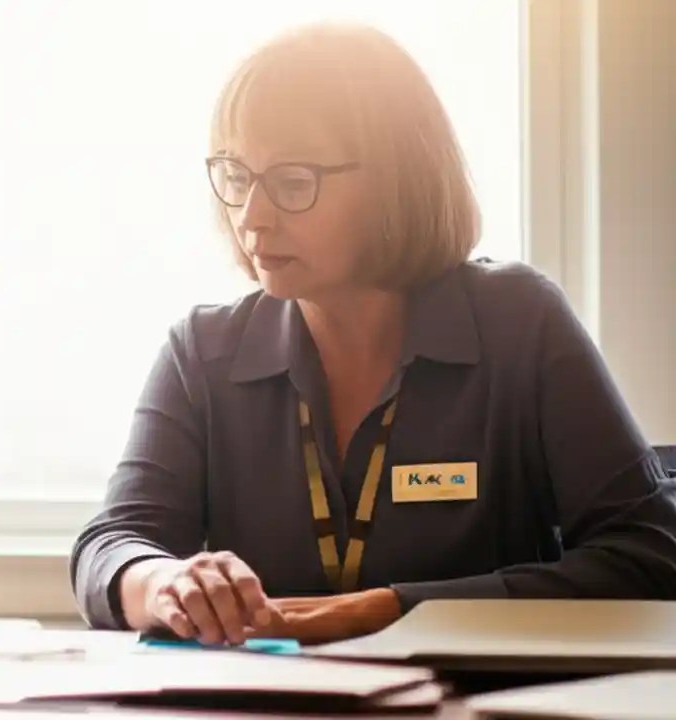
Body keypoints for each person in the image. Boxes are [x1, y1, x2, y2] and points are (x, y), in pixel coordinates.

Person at [72, 23, 676, 648]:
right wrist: (166, 582)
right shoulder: (201, 352)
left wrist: (385, 609)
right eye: (236, 175)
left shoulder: (520, 322)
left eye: (292, 182)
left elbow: (652, 553)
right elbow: (109, 548)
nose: (252, 215)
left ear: (395, 181)